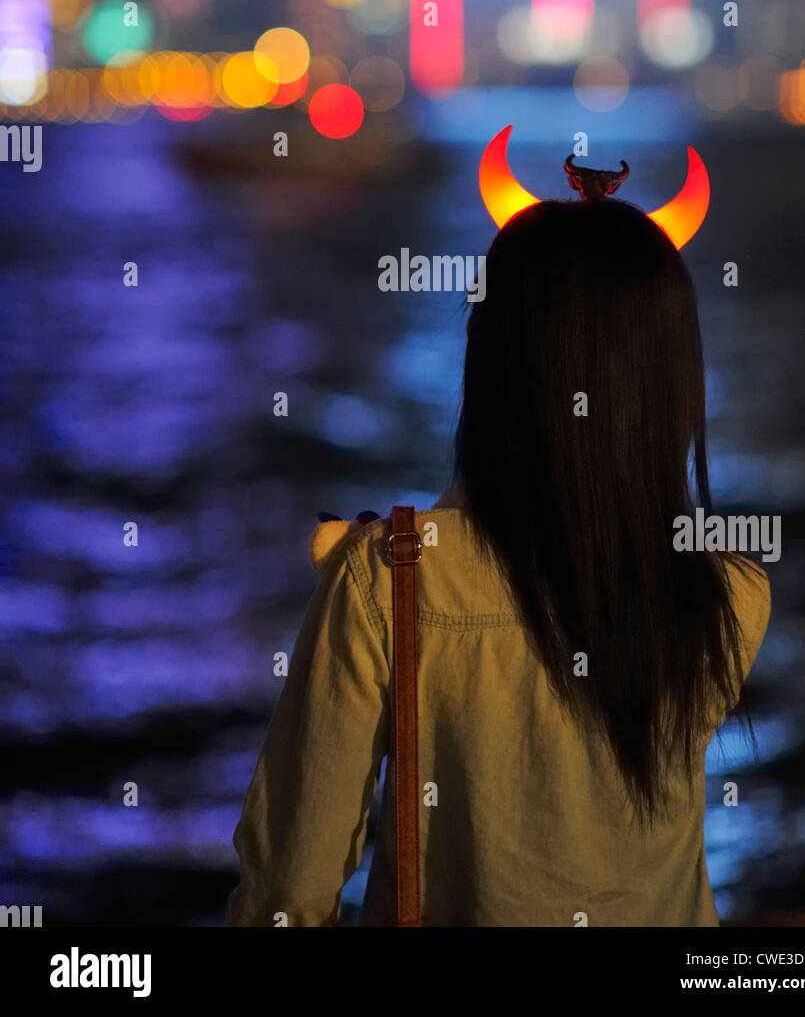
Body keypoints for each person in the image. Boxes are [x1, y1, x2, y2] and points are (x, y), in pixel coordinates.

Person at [226, 196, 770, 927]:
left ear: (489, 357)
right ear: (670, 379)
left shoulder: (387, 578)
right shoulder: (728, 596)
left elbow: (290, 891)